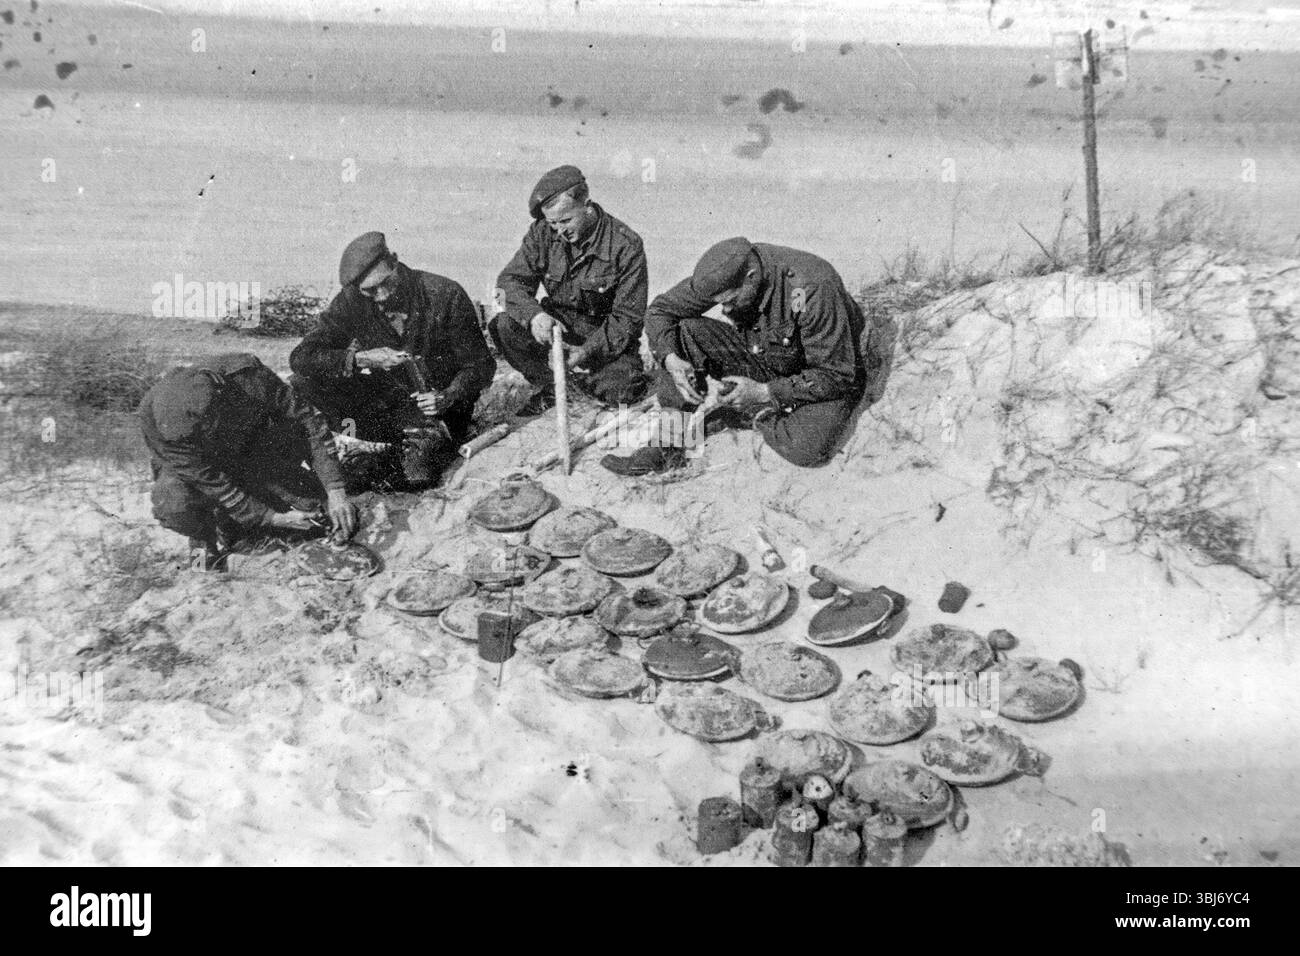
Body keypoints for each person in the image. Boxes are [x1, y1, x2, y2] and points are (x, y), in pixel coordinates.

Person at [602, 237, 868, 475]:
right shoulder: (724, 273)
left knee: (806, 448)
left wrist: (765, 392)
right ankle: (668, 442)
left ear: (751, 277)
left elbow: (838, 374)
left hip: (821, 376)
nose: (725, 309)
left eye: (730, 301)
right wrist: (672, 361)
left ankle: (757, 413)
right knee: (684, 333)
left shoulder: (809, 288)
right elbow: (661, 312)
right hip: (767, 357)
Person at [289, 232, 496, 487]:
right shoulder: (351, 301)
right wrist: (361, 359)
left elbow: (481, 366)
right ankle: (370, 448)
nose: (382, 295)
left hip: (440, 411)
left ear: (396, 261)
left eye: (386, 283)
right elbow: (302, 357)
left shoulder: (444, 294)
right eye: (371, 291)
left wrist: (449, 396)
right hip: (386, 406)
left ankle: (418, 451)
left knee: (416, 477)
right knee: (302, 383)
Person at [140, 352, 358, 567]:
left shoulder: (247, 378)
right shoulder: (158, 423)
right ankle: (204, 537)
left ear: (220, 396)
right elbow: (213, 482)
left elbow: (308, 423)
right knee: (173, 502)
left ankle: (285, 495)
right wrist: (272, 518)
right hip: (203, 466)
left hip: (250, 447)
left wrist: (335, 488)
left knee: (316, 503)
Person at [490, 165, 650, 415]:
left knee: (623, 391)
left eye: (566, 220)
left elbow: (627, 319)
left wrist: (586, 351)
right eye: (553, 224)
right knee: (503, 326)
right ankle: (554, 388)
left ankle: (579, 386)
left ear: (587, 204)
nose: (560, 231)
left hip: (603, 339)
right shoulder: (542, 232)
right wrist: (535, 316)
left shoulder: (625, 245)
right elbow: (509, 282)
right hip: (558, 328)